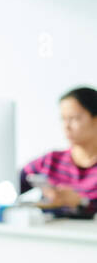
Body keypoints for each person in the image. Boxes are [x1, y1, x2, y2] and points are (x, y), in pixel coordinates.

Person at [20, 86, 97, 218]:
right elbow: (9, 185)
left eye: (74, 118)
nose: (66, 126)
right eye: (63, 119)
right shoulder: (51, 160)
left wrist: (81, 203)